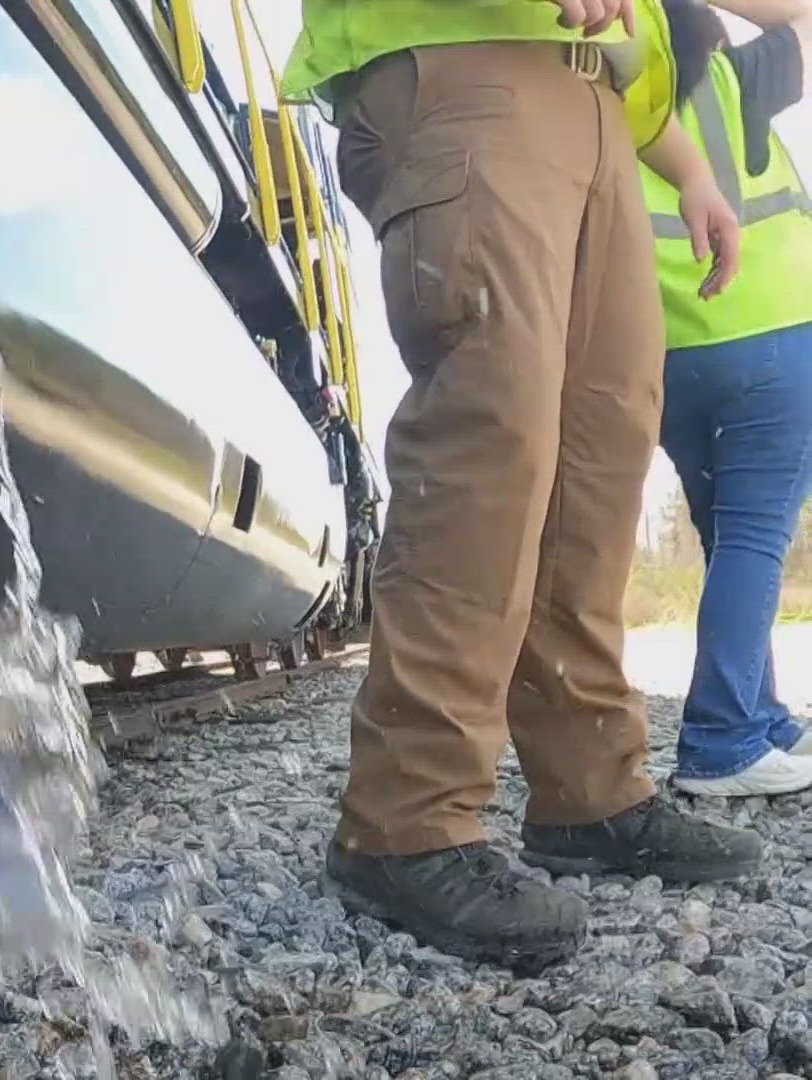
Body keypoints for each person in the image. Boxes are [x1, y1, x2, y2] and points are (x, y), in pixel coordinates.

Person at [281, 0, 760, 971]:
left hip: (602, 112)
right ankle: (406, 820)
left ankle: (592, 794)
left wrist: (692, 170)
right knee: (490, 431)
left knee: (600, 449)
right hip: (460, 59)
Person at [646, 0, 812, 796]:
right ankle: (723, 741)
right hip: (772, 325)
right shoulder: (735, 74)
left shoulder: (618, 79)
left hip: (668, 349)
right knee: (755, 540)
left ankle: (764, 716)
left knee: (730, 541)